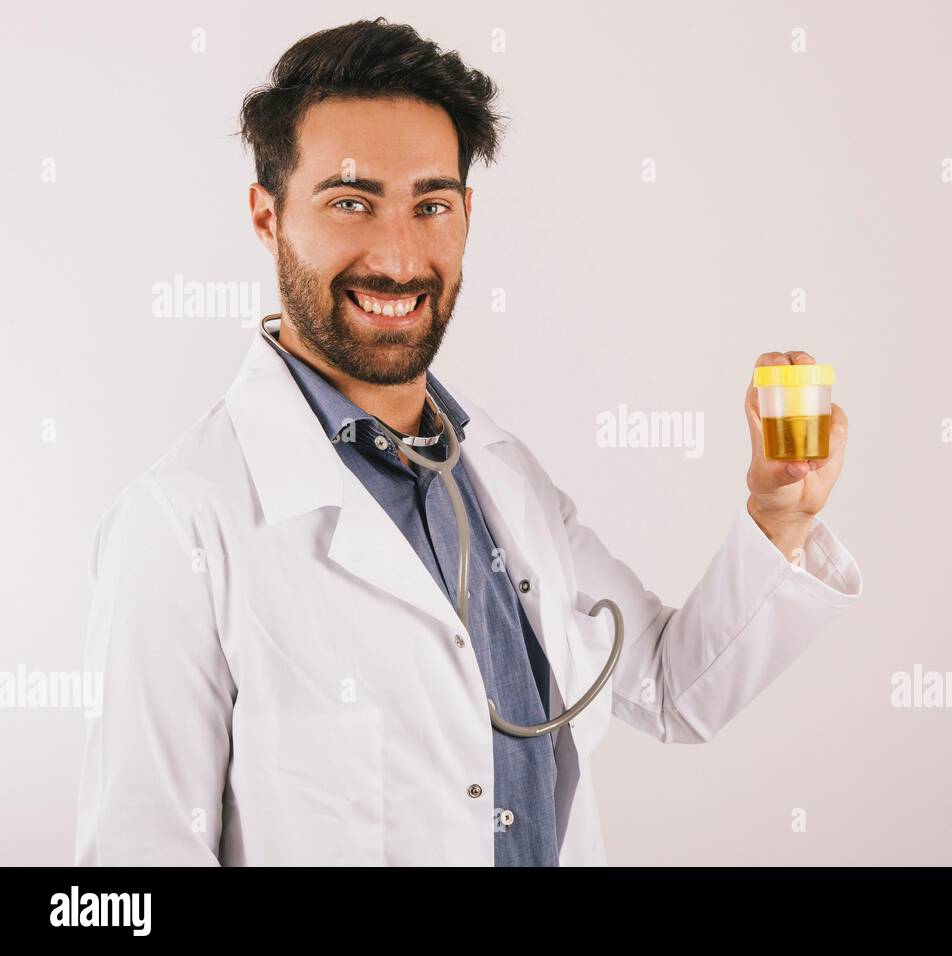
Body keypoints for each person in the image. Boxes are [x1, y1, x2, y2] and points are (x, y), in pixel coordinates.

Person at [74, 17, 862, 866]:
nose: (399, 255)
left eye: (431, 204)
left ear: (466, 214)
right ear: (268, 217)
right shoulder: (182, 523)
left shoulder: (500, 477)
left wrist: (776, 518)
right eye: (350, 201)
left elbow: (670, 690)